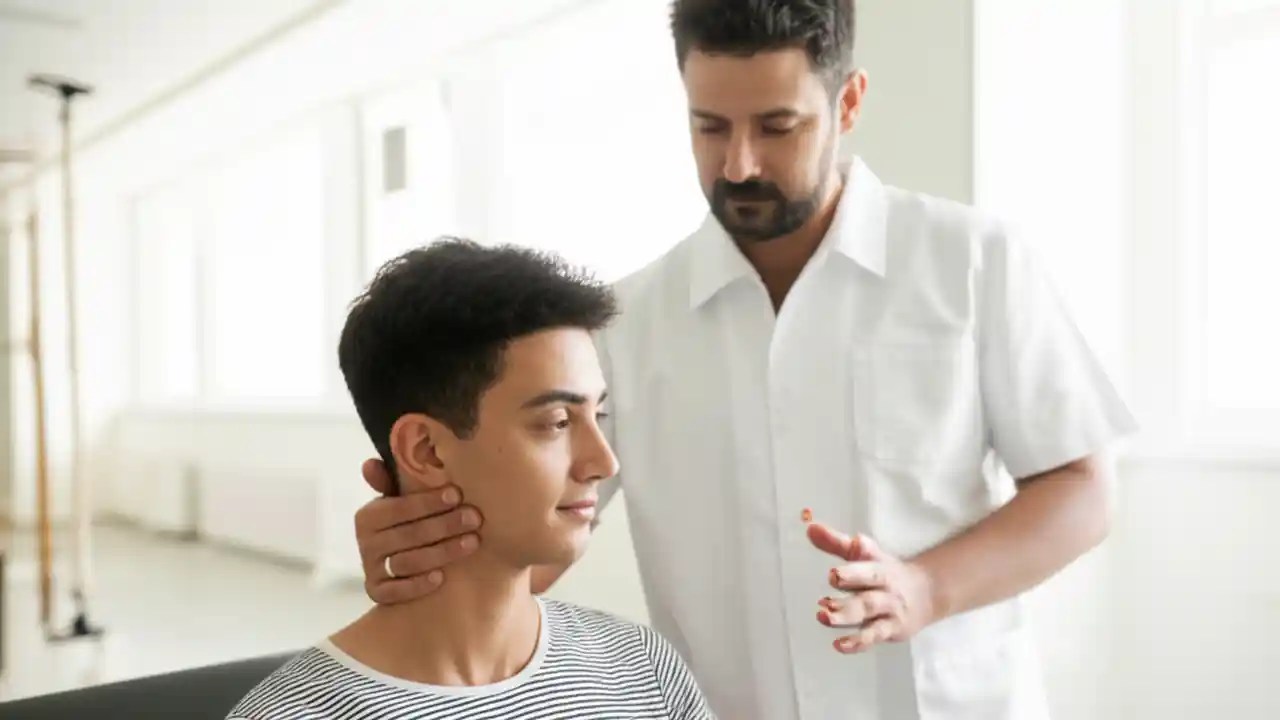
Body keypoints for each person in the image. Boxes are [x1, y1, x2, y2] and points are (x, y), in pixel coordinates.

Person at [351, 1, 1138, 718]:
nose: (738, 165)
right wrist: (431, 552)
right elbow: (531, 533)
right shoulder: (625, 324)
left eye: (777, 126)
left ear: (849, 102)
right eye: (710, 127)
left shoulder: (972, 262)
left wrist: (927, 588)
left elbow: (1081, 488)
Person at [227, 239, 712, 719]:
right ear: (427, 451)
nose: (604, 462)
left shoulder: (646, 670)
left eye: (599, 414)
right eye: (558, 422)